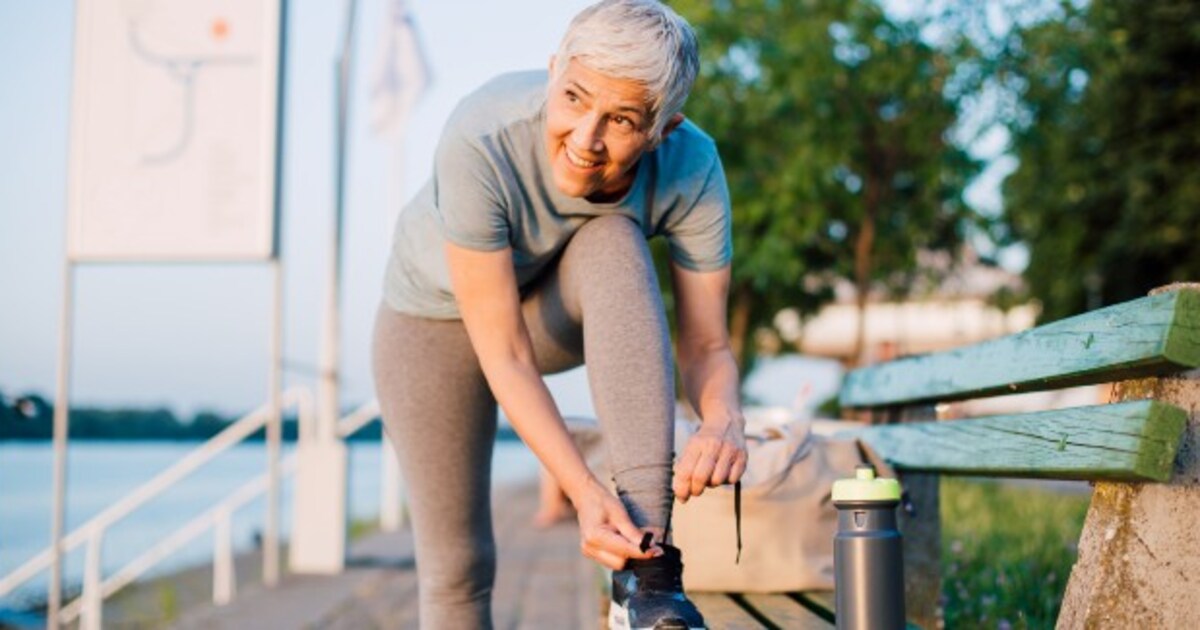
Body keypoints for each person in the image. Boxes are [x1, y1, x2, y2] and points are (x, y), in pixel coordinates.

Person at [371, 1, 747, 628]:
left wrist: (724, 420)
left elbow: (707, 345)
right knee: (458, 566)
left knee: (614, 236)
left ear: (664, 129)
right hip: (429, 323)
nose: (585, 139)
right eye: (573, 98)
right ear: (553, 72)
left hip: (551, 313)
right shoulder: (482, 136)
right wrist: (582, 490)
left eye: (621, 120)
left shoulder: (693, 167)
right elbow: (504, 353)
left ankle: (646, 575)